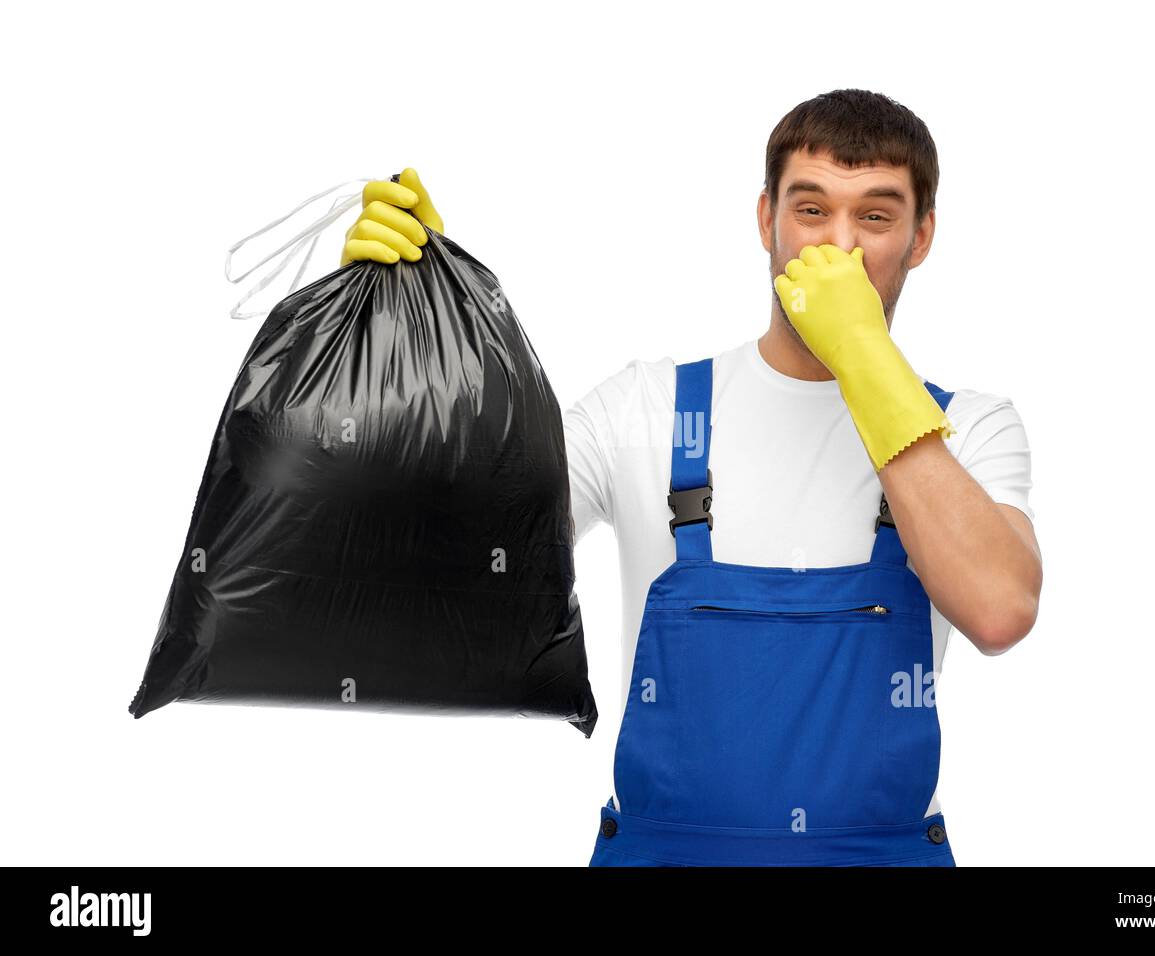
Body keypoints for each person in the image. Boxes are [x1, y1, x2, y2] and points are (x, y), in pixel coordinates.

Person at [342, 88, 1042, 867]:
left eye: (875, 217)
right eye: (811, 210)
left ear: (920, 237)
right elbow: (445, 566)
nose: (840, 247)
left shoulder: (970, 429)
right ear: (765, 220)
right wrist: (411, 341)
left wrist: (868, 364)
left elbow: (999, 609)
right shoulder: (645, 408)